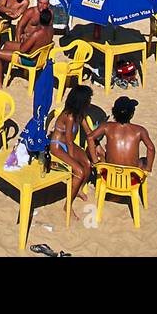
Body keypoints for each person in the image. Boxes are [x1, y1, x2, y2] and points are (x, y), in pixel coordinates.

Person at [49, 84, 96, 217]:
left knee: (87, 164)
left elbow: (89, 132)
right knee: (79, 171)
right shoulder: (69, 116)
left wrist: (96, 145)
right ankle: (67, 206)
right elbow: (69, 141)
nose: (90, 102)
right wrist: (72, 159)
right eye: (88, 99)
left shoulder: (80, 114)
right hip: (58, 145)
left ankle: (78, 189)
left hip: (68, 144)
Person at [0, 0, 53, 87]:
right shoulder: (50, 30)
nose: (42, 6)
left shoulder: (37, 34)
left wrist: (28, 39)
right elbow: (20, 26)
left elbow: (22, 50)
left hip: (30, 59)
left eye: (44, 4)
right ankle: (2, 69)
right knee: (7, 44)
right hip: (39, 54)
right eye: (40, 3)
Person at [87, 96, 154, 174]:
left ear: (114, 112)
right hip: (131, 174)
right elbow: (151, 148)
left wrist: (95, 161)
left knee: (101, 153)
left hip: (111, 172)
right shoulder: (140, 130)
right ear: (132, 114)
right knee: (143, 160)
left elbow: (90, 137)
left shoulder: (107, 126)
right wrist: (148, 168)